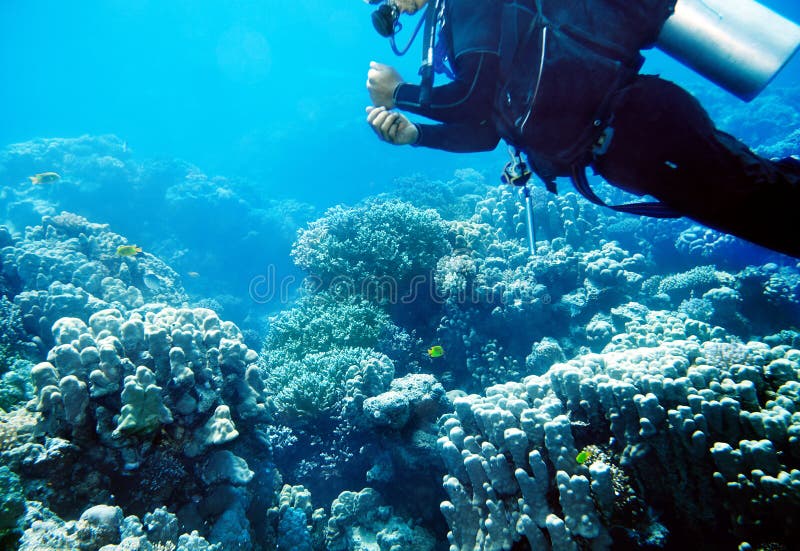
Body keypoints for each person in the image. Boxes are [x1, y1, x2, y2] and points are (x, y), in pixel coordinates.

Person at [364, 0, 800, 258]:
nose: (384, 6)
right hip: (632, 142)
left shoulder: (469, 4)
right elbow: (486, 132)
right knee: (767, 203)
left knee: (773, 213)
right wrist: (416, 135)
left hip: (641, 131)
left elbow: (470, 99)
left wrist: (399, 93)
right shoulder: (455, 22)